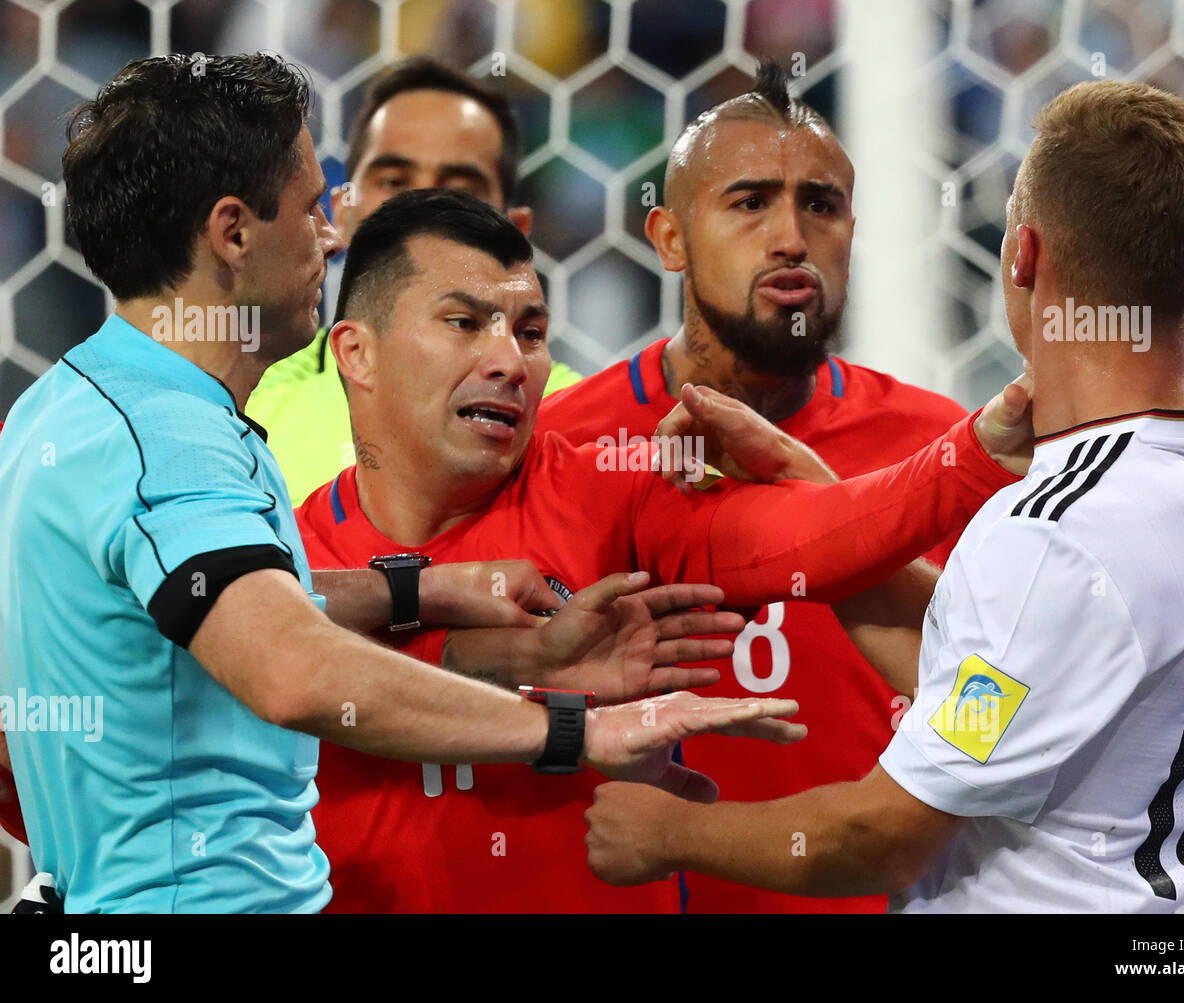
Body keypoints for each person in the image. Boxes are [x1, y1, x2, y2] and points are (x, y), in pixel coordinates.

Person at [0, 53, 802, 914]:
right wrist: (578, 729)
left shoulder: (67, 406)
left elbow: (205, 602)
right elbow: (290, 667)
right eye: (312, 207)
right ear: (233, 233)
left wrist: (417, 587)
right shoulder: (173, 440)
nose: (332, 235)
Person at [583, 79, 1184, 914]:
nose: (789, 237)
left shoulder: (1058, 531)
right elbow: (997, 670)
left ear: (1024, 256)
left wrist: (667, 833)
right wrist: (807, 491)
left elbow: (882, 834)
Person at [293, 186, 1031, 912]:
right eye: (464, 322)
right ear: (356, 352)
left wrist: (970, 452)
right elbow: (285, 666)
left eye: (530, 331)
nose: (510, 362)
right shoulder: (281, 550)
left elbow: (807, 537)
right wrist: (506, 660)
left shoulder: (613, 488)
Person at [534, 61, 968, 913]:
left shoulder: (939, 448)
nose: (791, 237)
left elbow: (996, 702)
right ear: (666, 237)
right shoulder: (559, 445)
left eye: (821, 204)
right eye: (749, 202)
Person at [246, 56, 581, 505]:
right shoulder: (246, 402)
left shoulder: (581, 419)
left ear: (514, 232)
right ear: (341, 212)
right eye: (394, 179)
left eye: (459, 187)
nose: (421, 205)